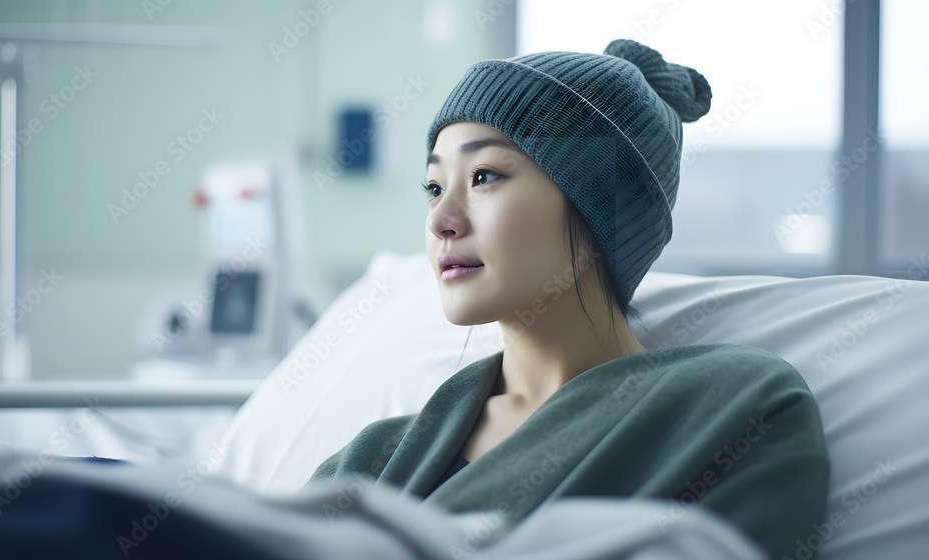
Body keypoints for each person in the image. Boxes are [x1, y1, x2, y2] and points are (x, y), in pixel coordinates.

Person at [307, 39, 829, 559]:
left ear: (602, 202)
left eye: (484, 176)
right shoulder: (367, 461)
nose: (440, 221)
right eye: (434, 187)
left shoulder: (733, 405)